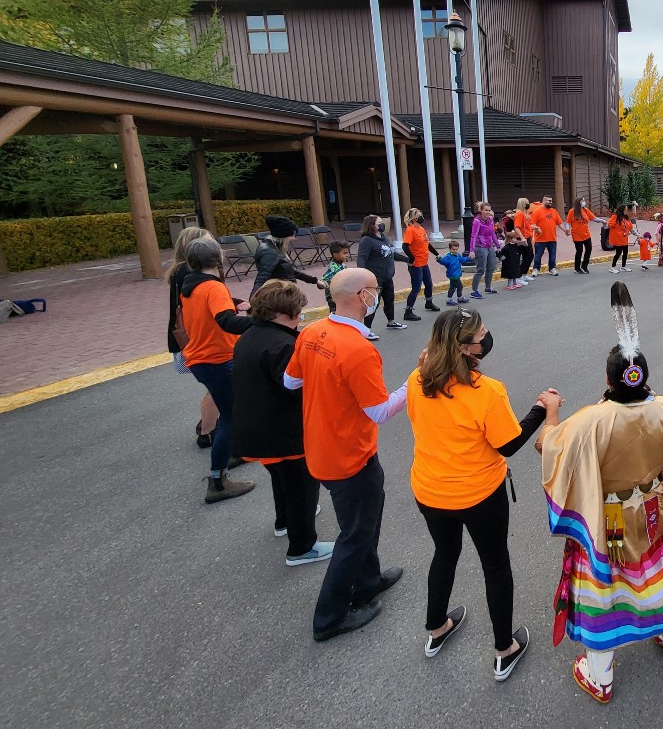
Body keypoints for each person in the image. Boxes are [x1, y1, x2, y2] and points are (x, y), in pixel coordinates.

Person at [538, 283, 663, 704]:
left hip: (609, 520)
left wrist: (552, 414)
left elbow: (549, 448)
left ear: (609, 379)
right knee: (658, 571)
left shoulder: (591, 420)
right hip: (654, 512)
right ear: (644, 376)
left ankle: (600, 674)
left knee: (606, 587)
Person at [407, 307, 558, 680]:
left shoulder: (417, 378)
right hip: (478, 494)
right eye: (481, 335)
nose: (487, 338)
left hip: (429, 489)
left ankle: (436, 626)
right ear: (463, 347)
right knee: (495, 563)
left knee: (444, 553)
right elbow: (507, 444)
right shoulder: (487, 391)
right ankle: (504, 648)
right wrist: (543, 409)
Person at [283, 268, 407, 642]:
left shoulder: (311, 332)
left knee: (363, 521)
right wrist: (414, 383)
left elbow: (291, 381)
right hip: (350, 456)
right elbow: (380, 411)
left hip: (322, 448)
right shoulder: (359, 348)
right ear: (361, 295)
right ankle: (329, 617)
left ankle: (368, 581)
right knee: (355, 534)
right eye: (376, 290)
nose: (380, 295)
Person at [231, 279, 331, 566]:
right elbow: (295, 387)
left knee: (281, 478)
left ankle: (284, 521)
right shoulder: (283, 345)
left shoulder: (252, 335)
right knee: (302, 486)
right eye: (297, 312)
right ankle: (302, 547)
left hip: (256, 428)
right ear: (282, 313)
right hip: (283, 431)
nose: (300, 317)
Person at [180, 238, 255, 503]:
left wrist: (233, 301)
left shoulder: (191, 286)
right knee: (229, 417)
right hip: (218, 358)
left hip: (201, 357)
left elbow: (211, 313)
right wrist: (261, 321)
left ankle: (234, 452)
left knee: (233, 410)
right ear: (218, 260)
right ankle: (218, 480)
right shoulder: (213, 287)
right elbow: (226, 321)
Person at [166, 225, 219, 448]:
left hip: (190, 338)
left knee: (216, 385)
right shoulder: (188, 272)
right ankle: (207, 431)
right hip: (198, 339)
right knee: (217, 386)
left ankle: (209, 425)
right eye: (207, 242)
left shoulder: (180, 271)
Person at [356, 215, 408, 332]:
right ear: (371, 225)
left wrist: (407, 260)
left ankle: (391, 322)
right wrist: (362, 275)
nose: (382, 225)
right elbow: (361, 258)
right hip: (375, 278)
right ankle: (366, 329)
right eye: (379, 223)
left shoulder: (384, 237)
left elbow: (391, 253)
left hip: (387, 276)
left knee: (389, 300)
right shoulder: (367, 241)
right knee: (373, 303)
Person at [250, 233, 320, 298]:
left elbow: (291, 271)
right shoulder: (270, 253)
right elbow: (262, 277)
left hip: (285, 293)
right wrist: (252, 301)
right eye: (290, 236)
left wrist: (315, 281)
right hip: (280, 296)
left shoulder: (274, 249)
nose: (293, 238)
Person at [401, 207, 441, 320]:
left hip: (424, 262)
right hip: (416, 264)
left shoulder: (421, 229)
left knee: (429, 284)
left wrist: (436, 253)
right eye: (419, 215)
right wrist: (411, 257)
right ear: (413, 218)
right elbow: (405, 245)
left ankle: (428, 302)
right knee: (416, 288)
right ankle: (408, 311)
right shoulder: (410, 230)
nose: (421, 217)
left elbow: (427, 244)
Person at [530, 195, 568, 276]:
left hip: (552, 238)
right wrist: (537, 228)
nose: (550, 202)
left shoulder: (554, 211)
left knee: (552, 255)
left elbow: (560, 222)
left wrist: (565, 230)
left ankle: (552, 268)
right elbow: (531, 224)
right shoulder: (537, 211)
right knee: (538, 255)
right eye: (548, 200)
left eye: (551, 201)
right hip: (540, 239)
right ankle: (536, 269)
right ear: (543, 201)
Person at [469, 202, 501, 298]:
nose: (488, 212)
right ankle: (474, 291)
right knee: (480, 269)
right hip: (480, 246)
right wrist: (471, 250)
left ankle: (488, 287)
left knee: (491, 267)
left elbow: (492, 233)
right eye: (485, 210)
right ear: (481, 210)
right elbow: (473, 236)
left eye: (489, 210)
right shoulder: (477, 221)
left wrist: (497, 245)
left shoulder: (490, 220)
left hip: (489, 245)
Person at [318, 241, 350, 314]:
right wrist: (322, 283)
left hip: (341, 296)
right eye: (344, 253)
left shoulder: (343, 265)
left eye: (347, 253)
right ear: (335, 255)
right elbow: (324, 279)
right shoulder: (334, 268)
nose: (347, 255)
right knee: (337, 317)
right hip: (334, 298)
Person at [567, 197, 597, 274]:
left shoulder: (586, 210)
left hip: (586, 234)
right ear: (578, 202)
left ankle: (584, 266)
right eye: (582, 200)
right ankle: (577, 268)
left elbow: (593, 218)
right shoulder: (572, 211)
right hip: (577, 235)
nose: (584, 202)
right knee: (579, 251)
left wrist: (602, 221)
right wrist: (567, 229)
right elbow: (568, 222)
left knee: (589, 249)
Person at [511, 198, 536, 281]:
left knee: (530, 256)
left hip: (528, 237)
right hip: (523, 238)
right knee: (526, 257)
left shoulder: (525, 214)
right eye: (527, 203)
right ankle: (519, 276)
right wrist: (522, 237)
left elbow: (526, 226)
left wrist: (535, 228)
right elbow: (517, 227)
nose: (528, 205)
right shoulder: (519, 214)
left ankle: (524, 274)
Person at [606, 205, 634, 273]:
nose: (626, 211)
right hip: (618, 239)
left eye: (627, 210)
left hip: (624, 239)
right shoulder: (615, 217)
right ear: (622, 210)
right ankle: (612, 267)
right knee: (618, 253)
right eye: (625, 210)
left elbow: (630, 228)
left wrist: (636, 234)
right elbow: (608, 225)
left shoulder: (626, 218)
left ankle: (623, 266)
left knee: (625, 253)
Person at [439, 240, 466, 305]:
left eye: (456, 249)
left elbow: (462, 260)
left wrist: (469, 258)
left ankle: (449, 298)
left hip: (456, 274)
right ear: (450, 249)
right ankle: (459, 297)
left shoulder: (457, 255)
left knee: (452, 287)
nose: (455, 251)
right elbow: (444, 262)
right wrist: (439, 259)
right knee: (460, 286)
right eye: (453, 249)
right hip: (453, 275)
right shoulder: (448, 256)